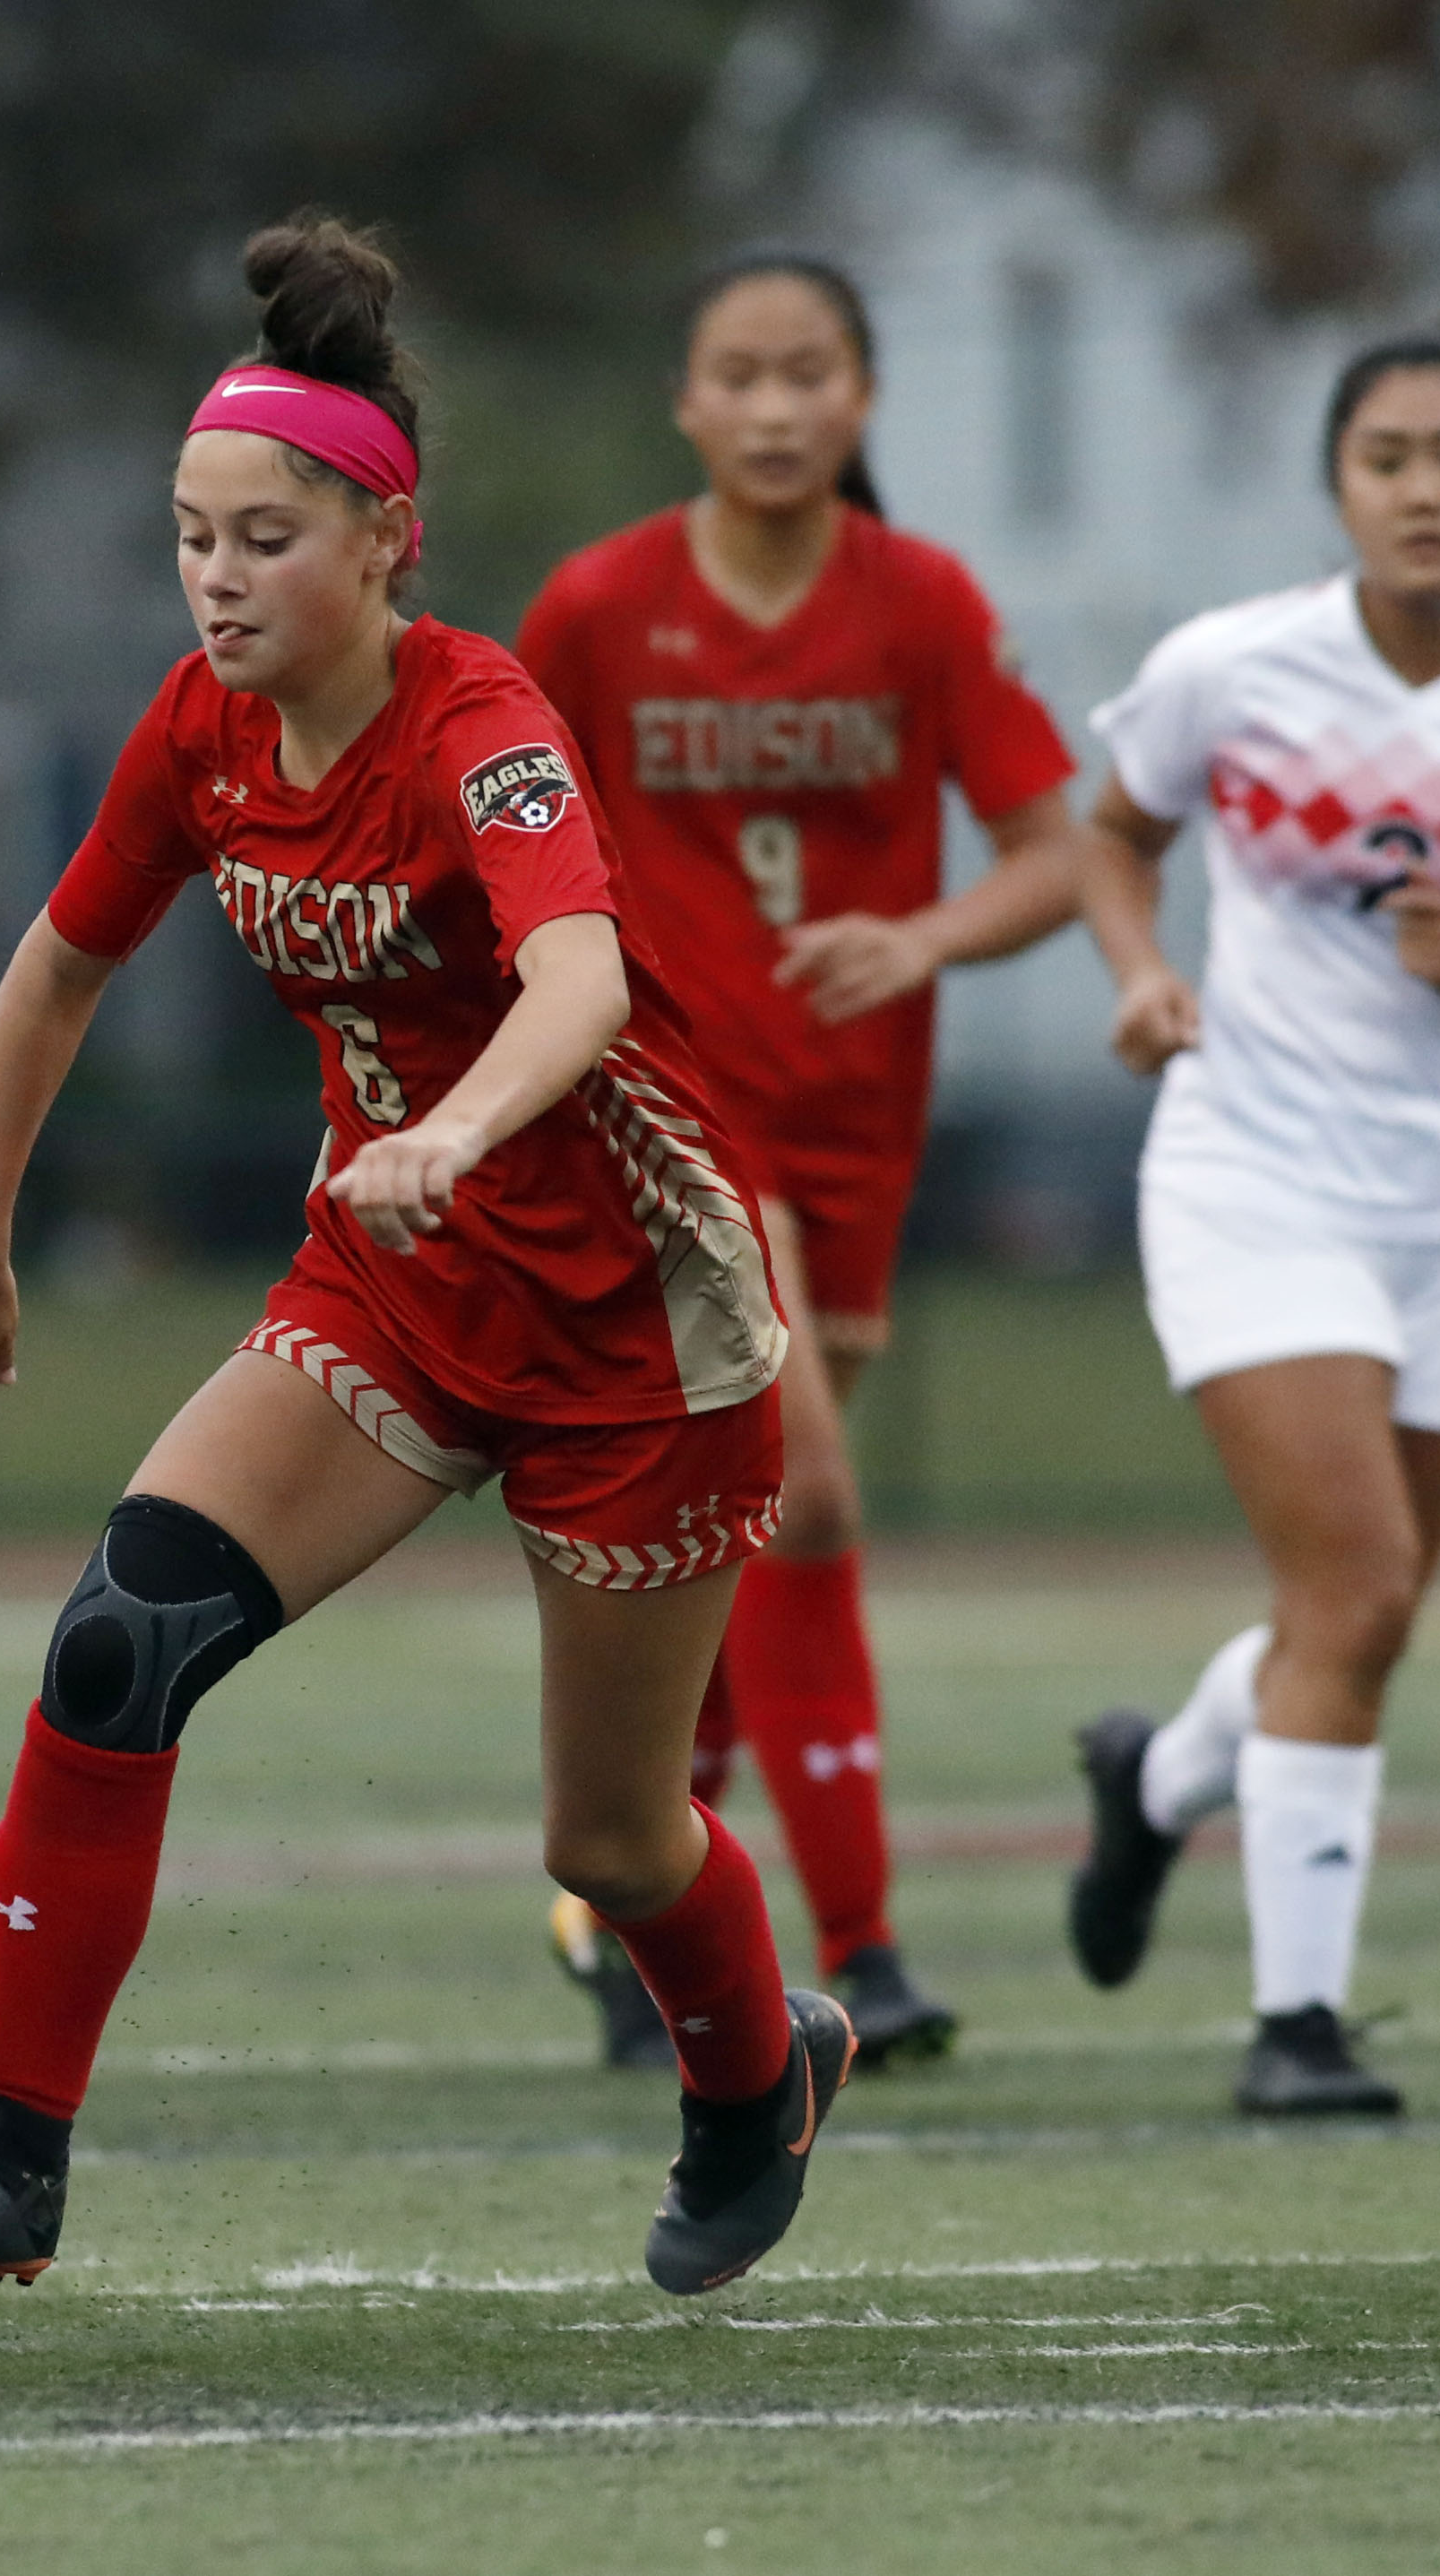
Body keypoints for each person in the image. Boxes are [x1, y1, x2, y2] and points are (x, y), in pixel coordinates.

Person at [0, 216, 849, 2302]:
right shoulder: (195, 730)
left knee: (610, 1840)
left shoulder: (484, 722)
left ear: (386, 545)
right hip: (392, 1293)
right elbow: (57, 964)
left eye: (262, 536)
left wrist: (455, 1130)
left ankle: (755, 2072)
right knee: (122, 1640)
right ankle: (6, 2158)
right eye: (191, 534)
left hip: (635, 1327)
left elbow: (580, 985)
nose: (214, 576)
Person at [1064, 279, 1440, 2116]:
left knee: (1367, 1615)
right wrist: (1136, 973)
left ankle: (1160, 1780)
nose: (1417, 489)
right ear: (1335, 484)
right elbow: (1111, 831)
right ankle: (1294, 2032)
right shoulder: (1231, 667)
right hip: (1251, 1174)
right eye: (1381, 457)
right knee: (1354, 1581)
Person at [513, 251, 1095, 2070]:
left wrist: (924, 940)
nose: (772, 409)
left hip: (858, 1119)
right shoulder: (599, 606)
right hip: (670, 1105)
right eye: (736, 376)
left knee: (725, 1536)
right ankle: (866, 1945)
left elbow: (1049, 851)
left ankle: (621, 1905)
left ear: (859, 401)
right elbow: (494, 825)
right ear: (683, 404)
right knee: (812, 1499)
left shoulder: (919, 602)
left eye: (807, 375)